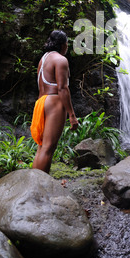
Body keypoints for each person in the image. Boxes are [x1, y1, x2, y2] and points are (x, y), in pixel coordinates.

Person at [30, 30, 79, 173]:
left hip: (41, 102)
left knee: (42, 147)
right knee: (48, 148)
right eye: (67, 44)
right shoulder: (61, 60)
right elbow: (62, 88)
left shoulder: (43, 59)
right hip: (54, 102)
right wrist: (72, 115)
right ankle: (40, 186)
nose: (67, 47)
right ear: (63, 44)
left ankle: (34, 183)